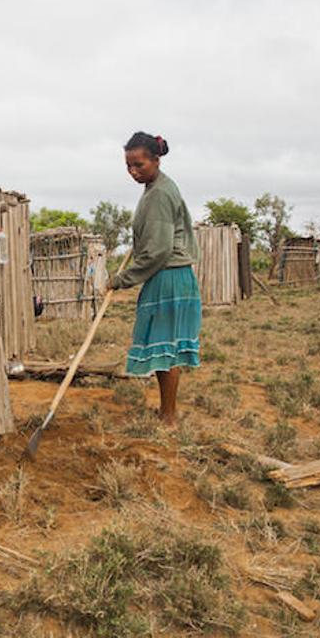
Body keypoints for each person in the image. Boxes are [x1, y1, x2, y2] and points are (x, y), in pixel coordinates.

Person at [109, 132, 201, 426]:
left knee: (167, 347)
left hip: (169, 276)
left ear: (156, 160)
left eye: (139, 164)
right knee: (165, 347)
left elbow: (159, 251)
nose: (133, 171)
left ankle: (170, 416)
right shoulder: (154, 187)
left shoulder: (160, 193)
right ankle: (167, 411)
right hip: (170, 276)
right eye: (128, 166)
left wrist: (121, 280)